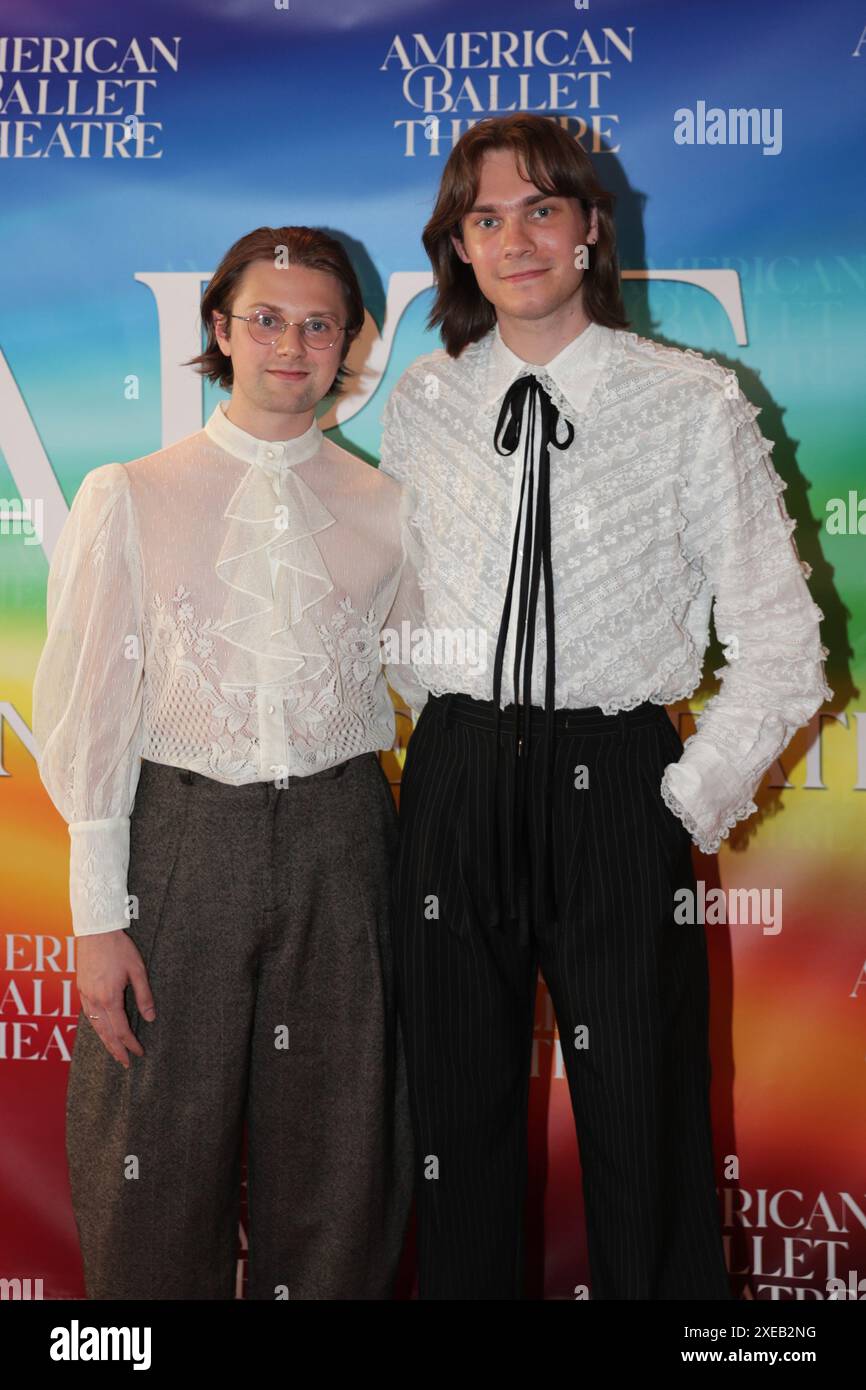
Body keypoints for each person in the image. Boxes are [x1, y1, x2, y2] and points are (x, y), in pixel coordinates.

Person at [376, 114, 833, 1299]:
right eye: (485, 217)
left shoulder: (690, 400)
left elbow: (785, 641)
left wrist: (681, 797)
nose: (515, 238)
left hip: (617, 780)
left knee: (647, 1126)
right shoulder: (423, 402)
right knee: (452, 1133)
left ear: (590, 229)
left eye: (540, 209)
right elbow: (395, 599)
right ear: (457, 246)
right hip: (456, 775)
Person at [32, 224, 427, 1300]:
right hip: (176, 844)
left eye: (318, 323)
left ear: (349, 343)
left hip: (344, 844)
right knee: (149, 1158)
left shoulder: (388, 509)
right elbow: (91, 716)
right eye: (266, 318)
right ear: (219, 328)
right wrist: (96, 917)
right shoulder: (132, 493)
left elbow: (437, 687)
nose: (291, 345)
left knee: (343, 1166)